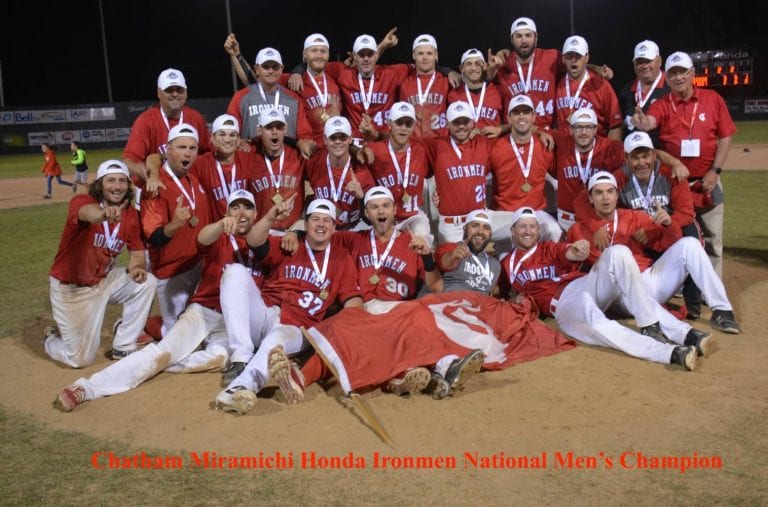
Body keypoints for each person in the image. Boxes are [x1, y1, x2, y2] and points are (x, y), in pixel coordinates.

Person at [54, 189, 264, 411]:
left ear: (256, 214)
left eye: (247, 207)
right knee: (162, 352)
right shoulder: (219, 237)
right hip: (204, 312)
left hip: (233, 325)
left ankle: (156, 361)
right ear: (227, 211)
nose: (241, 213)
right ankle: (87, 388)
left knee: (219, 359)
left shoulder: (264, 245)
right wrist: (222, 225)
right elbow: (203, 238)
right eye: (235, 207)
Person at [500, 206, 704, 371]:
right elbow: (503, 293)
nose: (528, 231)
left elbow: (567, 252)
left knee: (618, 252)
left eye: (532, 226)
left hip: (584, 284)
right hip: (565, 304)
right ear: (512, 231)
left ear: (538, 230)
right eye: (522, 226)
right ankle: (670, 353)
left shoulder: (548, 248)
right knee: (601, 327)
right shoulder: (506, 263)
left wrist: (578, 250)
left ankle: (684, 333)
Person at [215, 198, 364, 414]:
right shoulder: (290, 243)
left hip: (297, 327)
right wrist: (269, 218)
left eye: (326, 220)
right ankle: (241, 356)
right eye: (315, 219)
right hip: (266, 313)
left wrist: (351, 323)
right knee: (235, 271)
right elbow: (254, 241)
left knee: (276, 341)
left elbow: (352, 299)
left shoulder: (341, 258)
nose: (320, 225)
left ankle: (238, 389)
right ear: (306, 223)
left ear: (334, 226)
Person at [569, 171, 741, 334]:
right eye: (598, 193)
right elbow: (568, 266)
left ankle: (722, 311)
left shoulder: (635, 217)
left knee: (690, 244)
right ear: (590, 198)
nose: (605, 197)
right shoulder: (578, 229)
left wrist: (668, 224)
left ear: (616, 195)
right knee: (618, 252)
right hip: (611, 297)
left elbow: (667, 246)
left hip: (645, 286)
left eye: (610, 191)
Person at [632, 51, 736, 278]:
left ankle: (711, 285)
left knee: (712, 239)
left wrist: (715, 172)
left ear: (692, 74)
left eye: (682, 72)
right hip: (674, 184)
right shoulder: (662, 103)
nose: (678, 78)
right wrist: (643, 123)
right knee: (675, 233)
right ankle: (679, 283)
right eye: (673, 74)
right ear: (666, 78)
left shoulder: (712, 99)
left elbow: (725, 136)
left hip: (706, 181)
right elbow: (651, 121)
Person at [44, 160, 156, 368]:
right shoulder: (82, 201)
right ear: (100, 184)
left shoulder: (130, 214)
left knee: (147, 282)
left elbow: (137, 252)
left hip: (103, 281)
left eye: (122, 181)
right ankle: (50, 339)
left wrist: (138, 266)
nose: (117, 186)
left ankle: (124, 345)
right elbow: (88, 213)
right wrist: (103, 215)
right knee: (79, 359)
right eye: (111, 180)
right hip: (72, 290)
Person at [140, 124, 211, 336]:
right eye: (181, 147)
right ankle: (144, 325)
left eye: (192, 148)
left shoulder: (191, 177)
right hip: (172, 273)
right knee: (179, 337)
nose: (187, 153)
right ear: (167, 150)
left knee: (202, 325)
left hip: (197, 265)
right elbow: (155, 237)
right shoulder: (156, 186)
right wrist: (174, 225)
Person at [487, 94, 562, 251]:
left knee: (554, 230)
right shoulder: (495, 147)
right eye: (516, 112)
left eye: (526, 112)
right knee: (477, 229)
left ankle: (546, 266)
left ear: (534, 116)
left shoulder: (545, 146)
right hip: (504, 214)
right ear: (509, 118)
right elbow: (476, 176)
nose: (522, 116)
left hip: (535, 213)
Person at [122, 68, 211, 186]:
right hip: (156, 189)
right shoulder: (145, 120)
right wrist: (150, 177)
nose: (175, 94)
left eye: (179, 90)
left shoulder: (195, 118)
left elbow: (209, 152)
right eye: (169, 90)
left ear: (186, 92)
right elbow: (128, 161)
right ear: (159, 93)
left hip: (188, 186)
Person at [226, 46, 315, 158]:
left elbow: (304, 133)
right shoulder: (241, 98)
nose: (271, 71)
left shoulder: (293, 99)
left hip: (287, 163)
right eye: (266, 67)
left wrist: (305, 143)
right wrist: (236, 140)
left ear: (281, 69)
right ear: (257, 69)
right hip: (252, 161)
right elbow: (228, 131)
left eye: (275, 67)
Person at [364, 102, 433, 245]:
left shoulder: (422, 148)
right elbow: (352, 152)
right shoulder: (374, 150)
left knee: (422, 236)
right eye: (399, 123)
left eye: (408, 124)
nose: (403, 128)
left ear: (414, 126)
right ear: (389, 124)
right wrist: (357, 150)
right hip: (382, 218)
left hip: (412, 216)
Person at [428, 101, 491, 243]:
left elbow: (517, 132)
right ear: (448, 124)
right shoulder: (437, 146)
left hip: (479, 219)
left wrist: (539, 132)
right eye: (456, 122)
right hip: (452, 225)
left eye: (465, 121)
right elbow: (406, 141)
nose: (462, 126)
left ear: (473, 123)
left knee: (519, 222)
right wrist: (376, 136)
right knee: (455, 263)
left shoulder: (483, 143)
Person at [553, 108, 625, 230]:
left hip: (597, 218)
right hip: (567, 220)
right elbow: (532, 129)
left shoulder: (609, 146)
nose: (584, 132)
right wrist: (542, 134)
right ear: (571, 129)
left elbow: (643, 151)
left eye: (588, 127)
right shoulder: (562, 142)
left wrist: (669, 161)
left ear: (596, 129)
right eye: (579, 127)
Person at [305, 116, 374, 230]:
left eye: (343, 137)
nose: (338, 141)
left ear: (350, 139)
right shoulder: (314, 163)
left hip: (354, 227)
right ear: (325, 140)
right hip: (322, 228)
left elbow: (373, 215)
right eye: (333, 137)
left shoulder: (360, 171)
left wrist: (362, 196)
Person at [554, 36, 622, 139]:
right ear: (563, 59)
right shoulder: (557, 82)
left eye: (578, 56)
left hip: (595, 151)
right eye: (569, 56)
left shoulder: (601, 85)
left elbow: (615, 125)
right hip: (566, 152)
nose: (573, 60)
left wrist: (613, 153)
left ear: (586, 58)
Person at [436, 209, 501, 294]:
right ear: (465, 228)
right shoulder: (450, 248)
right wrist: (453, 258)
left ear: (490, 234)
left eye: (486, 228)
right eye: (475, 226)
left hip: (479, 305)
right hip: (452, 303)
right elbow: (445, 263)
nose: (480, 231)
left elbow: (490, 293)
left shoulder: (495, 265)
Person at [619, 40, 668, 142]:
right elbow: (619, 126)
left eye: (648, 61)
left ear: (659, 61)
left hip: (664, 155)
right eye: (640, 62)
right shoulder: (626, 91)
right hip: (635, 155)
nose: (644, 66)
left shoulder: (671, 88)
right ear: (634, 64)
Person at [447, 48, 503, 129]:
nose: (473, 68)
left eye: (477, 64)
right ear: (461, 68)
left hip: (493, 141)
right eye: (469, 64)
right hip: (465, 141)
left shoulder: (498, 91)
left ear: (484, 66)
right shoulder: (453, 95)